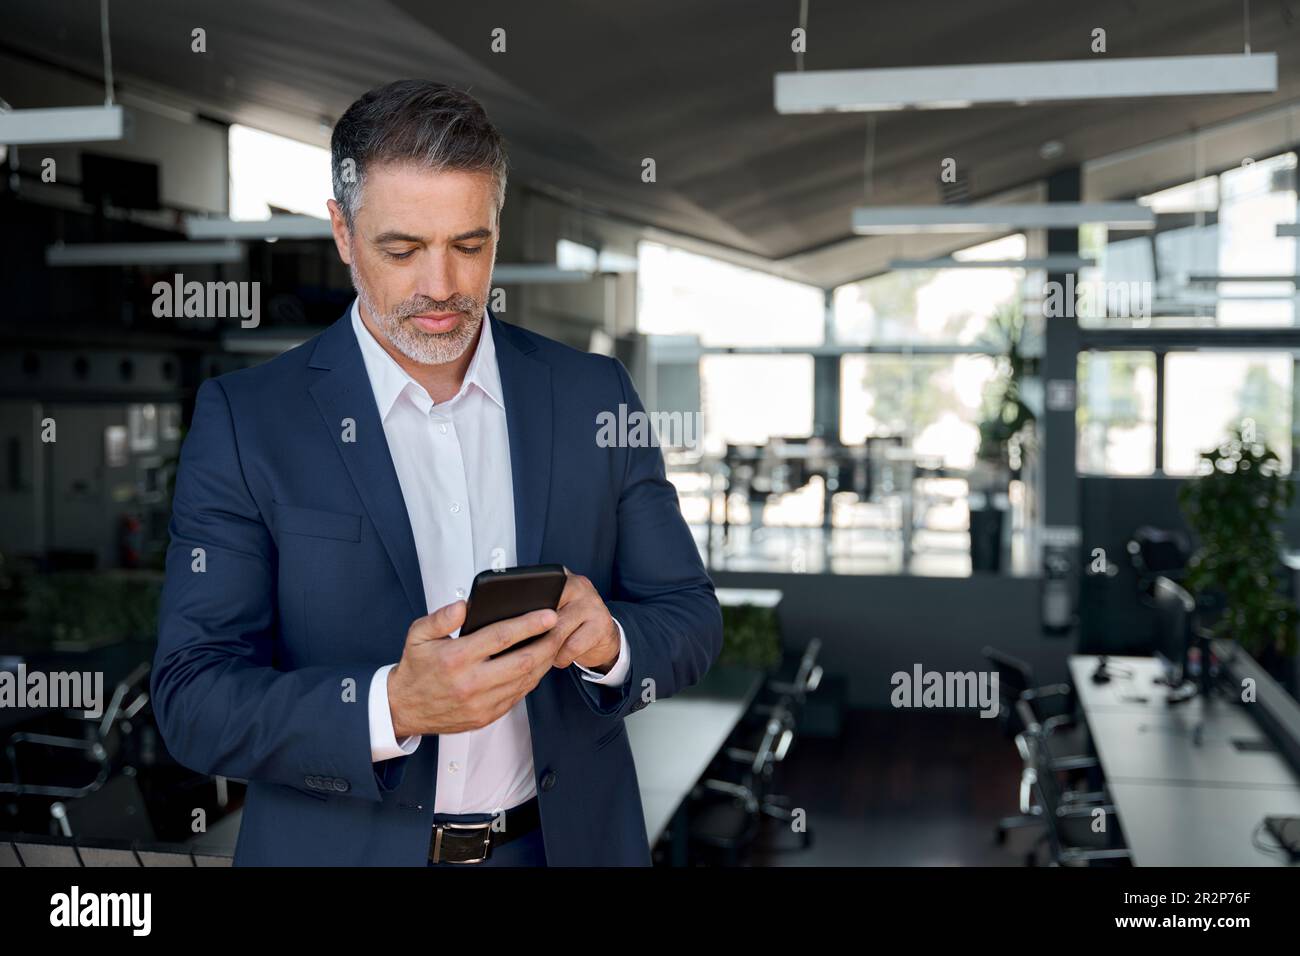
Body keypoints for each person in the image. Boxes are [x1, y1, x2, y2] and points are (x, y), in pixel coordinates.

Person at [152, 79, 722, 866]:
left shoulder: (594, 395)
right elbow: (192, 699)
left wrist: (611, 644)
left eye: (469, 244)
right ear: (343, 233)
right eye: (402, 248)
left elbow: (689, 616)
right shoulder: (249, 421)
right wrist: (389, 706)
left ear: (496, 226)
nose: (442, 288)